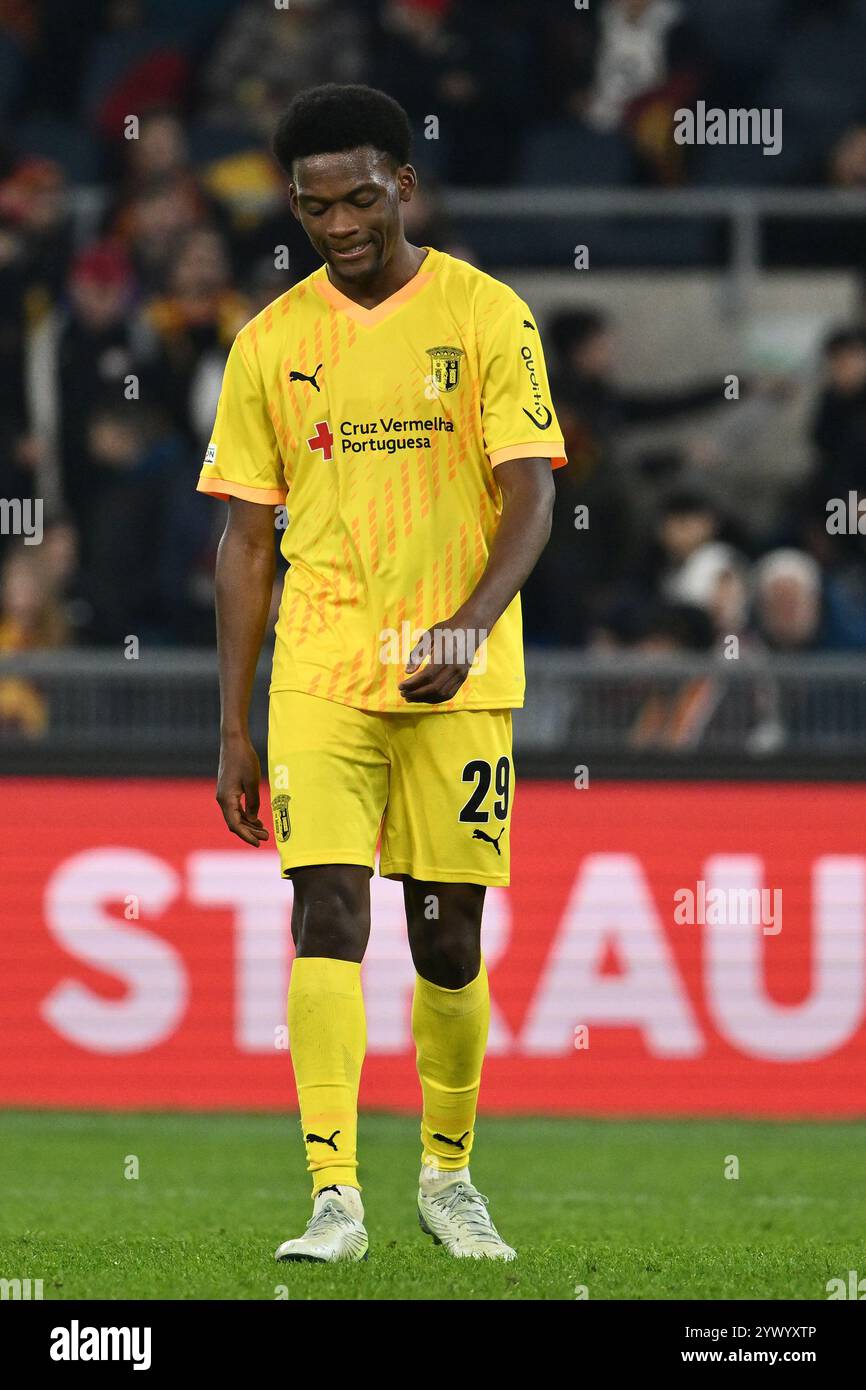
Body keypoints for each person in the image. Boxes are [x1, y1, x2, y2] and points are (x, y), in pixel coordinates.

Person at [197, 82, 566, 1264]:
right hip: (320, 667)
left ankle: (447, 1177)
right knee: (327, 913)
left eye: (360, 197)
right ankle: (332, 1194)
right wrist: (234, 727)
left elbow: (533, 492)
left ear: (404, 185)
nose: (340, 223)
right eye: (315, 207)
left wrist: (465, 625)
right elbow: (245, 539)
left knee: (446, 935)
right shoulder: (269, 342)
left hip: (458, 675)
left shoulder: (486, 315)